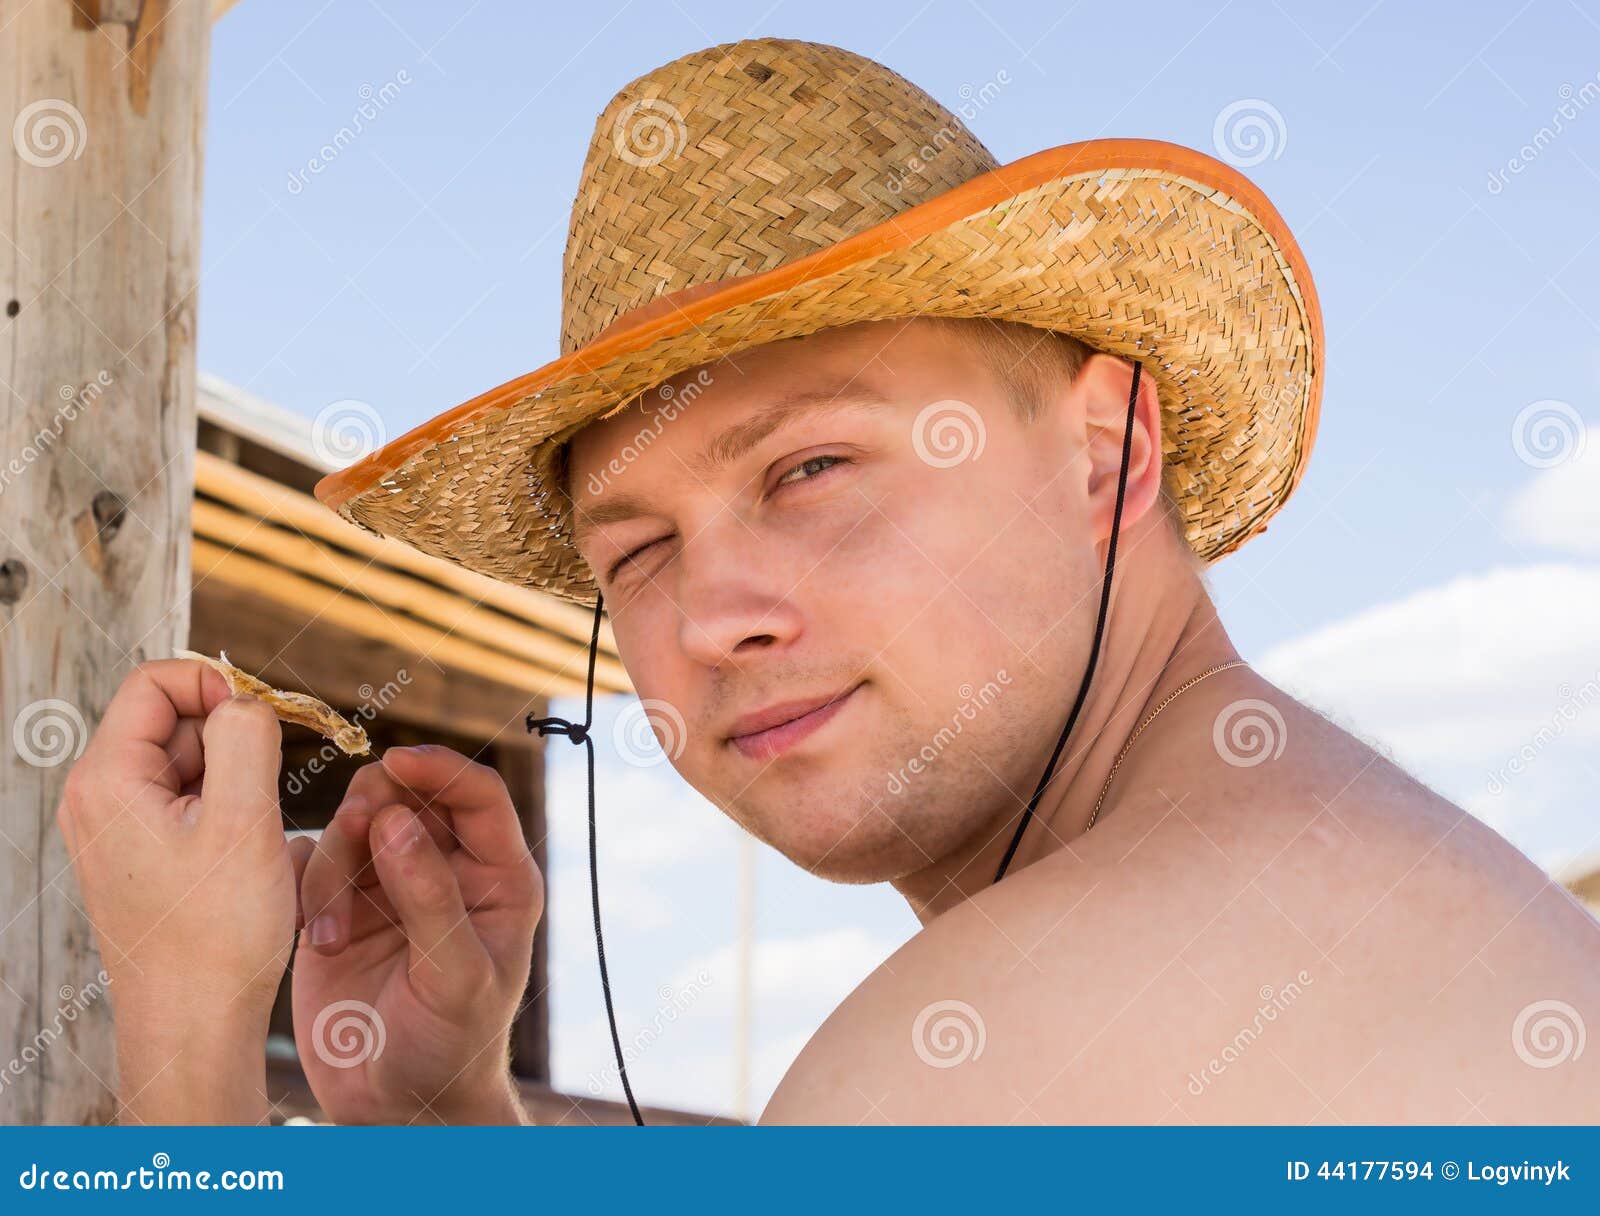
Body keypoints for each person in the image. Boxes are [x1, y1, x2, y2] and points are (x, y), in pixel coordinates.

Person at [58, 38, 1599, 1125]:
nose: (718, 616)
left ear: (1108, 455)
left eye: (810, 471)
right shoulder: (1302, 897)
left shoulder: (1003, 1055)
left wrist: (187, 1025)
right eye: (639, 551)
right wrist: (441, 1116)